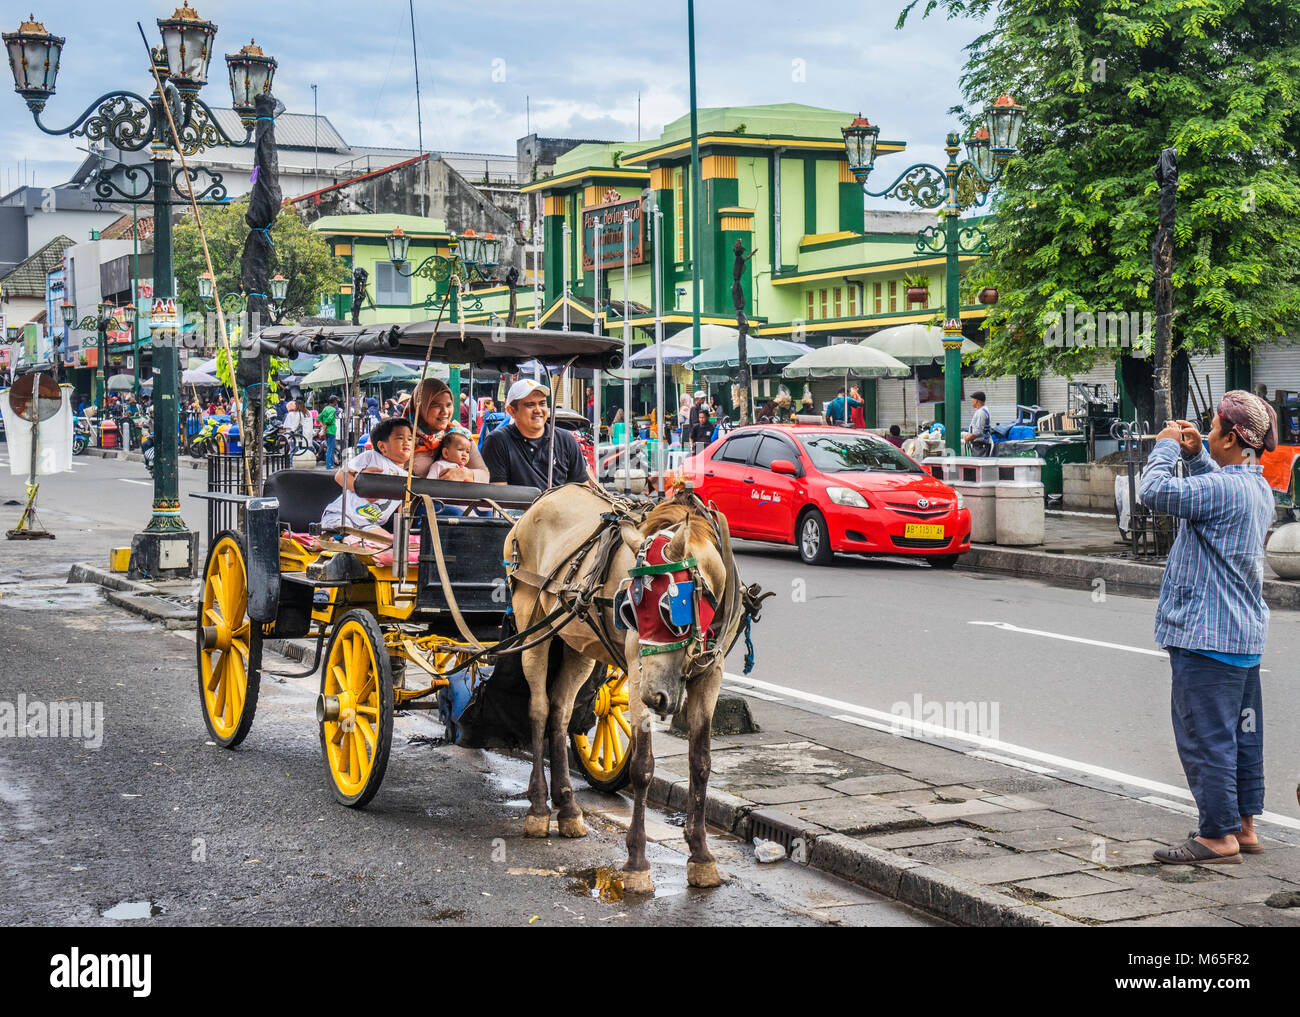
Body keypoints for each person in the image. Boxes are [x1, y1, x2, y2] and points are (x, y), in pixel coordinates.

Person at [1141, 395, 1276, 866]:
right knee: (1241, 735)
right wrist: (1198, 454)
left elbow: (1155, 493)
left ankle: (1217, 836)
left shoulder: (1223, 489)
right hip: (1242, 636)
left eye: (1213, 429)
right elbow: (1212, 495)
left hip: (1206, 636)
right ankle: (1243, 825)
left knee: (1205, 736)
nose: (1208, 433)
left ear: (1232, 436)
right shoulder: (1257, 488)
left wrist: (1165, 448)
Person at [481, 379, 589, 489]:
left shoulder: (565, 439)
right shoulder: (497, 442)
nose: (538, 410)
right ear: (512, 411)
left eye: (542, 403)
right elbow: (499, 495)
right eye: (530, 405)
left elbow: (583, 489)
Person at [320, 416, 415, 536]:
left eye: (410, 439)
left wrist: (403, 536)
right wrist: (364, 489)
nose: (407, 442)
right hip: (342, 515)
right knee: (344, 536)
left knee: (388, 543)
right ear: (382, 447)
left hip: (368, 525)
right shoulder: (372, 457)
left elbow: (405, 509)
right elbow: (340, 476)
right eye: (400, 438)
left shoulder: (409, 478)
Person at [408, 377, 490, 482]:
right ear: (420, 407)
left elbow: (485, 476)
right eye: (436, 405)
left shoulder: (460, 435)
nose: (445, 412)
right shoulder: (404, 435)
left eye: (448, 405)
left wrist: (466, 474)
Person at [963, 391, 992, 456]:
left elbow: (978, 431)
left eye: (972, 399)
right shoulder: (983, 410)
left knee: (978, 464)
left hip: (980, 446)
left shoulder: (981, 412)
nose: (971, 401)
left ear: (976, 400)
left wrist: (968, 438)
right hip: (981, 445)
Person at [319, 395, 339, 468]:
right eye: (336, 401)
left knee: (329, 447)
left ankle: (330, 464)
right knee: (331, 448)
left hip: (327, 431)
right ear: (334, 402)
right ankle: (329, 465)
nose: (337, 402)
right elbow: (329, 419)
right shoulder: (333, 410)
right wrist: (324, 427)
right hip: (331, 430)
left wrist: (323, 426)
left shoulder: (325, 408)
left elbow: (319, 418)